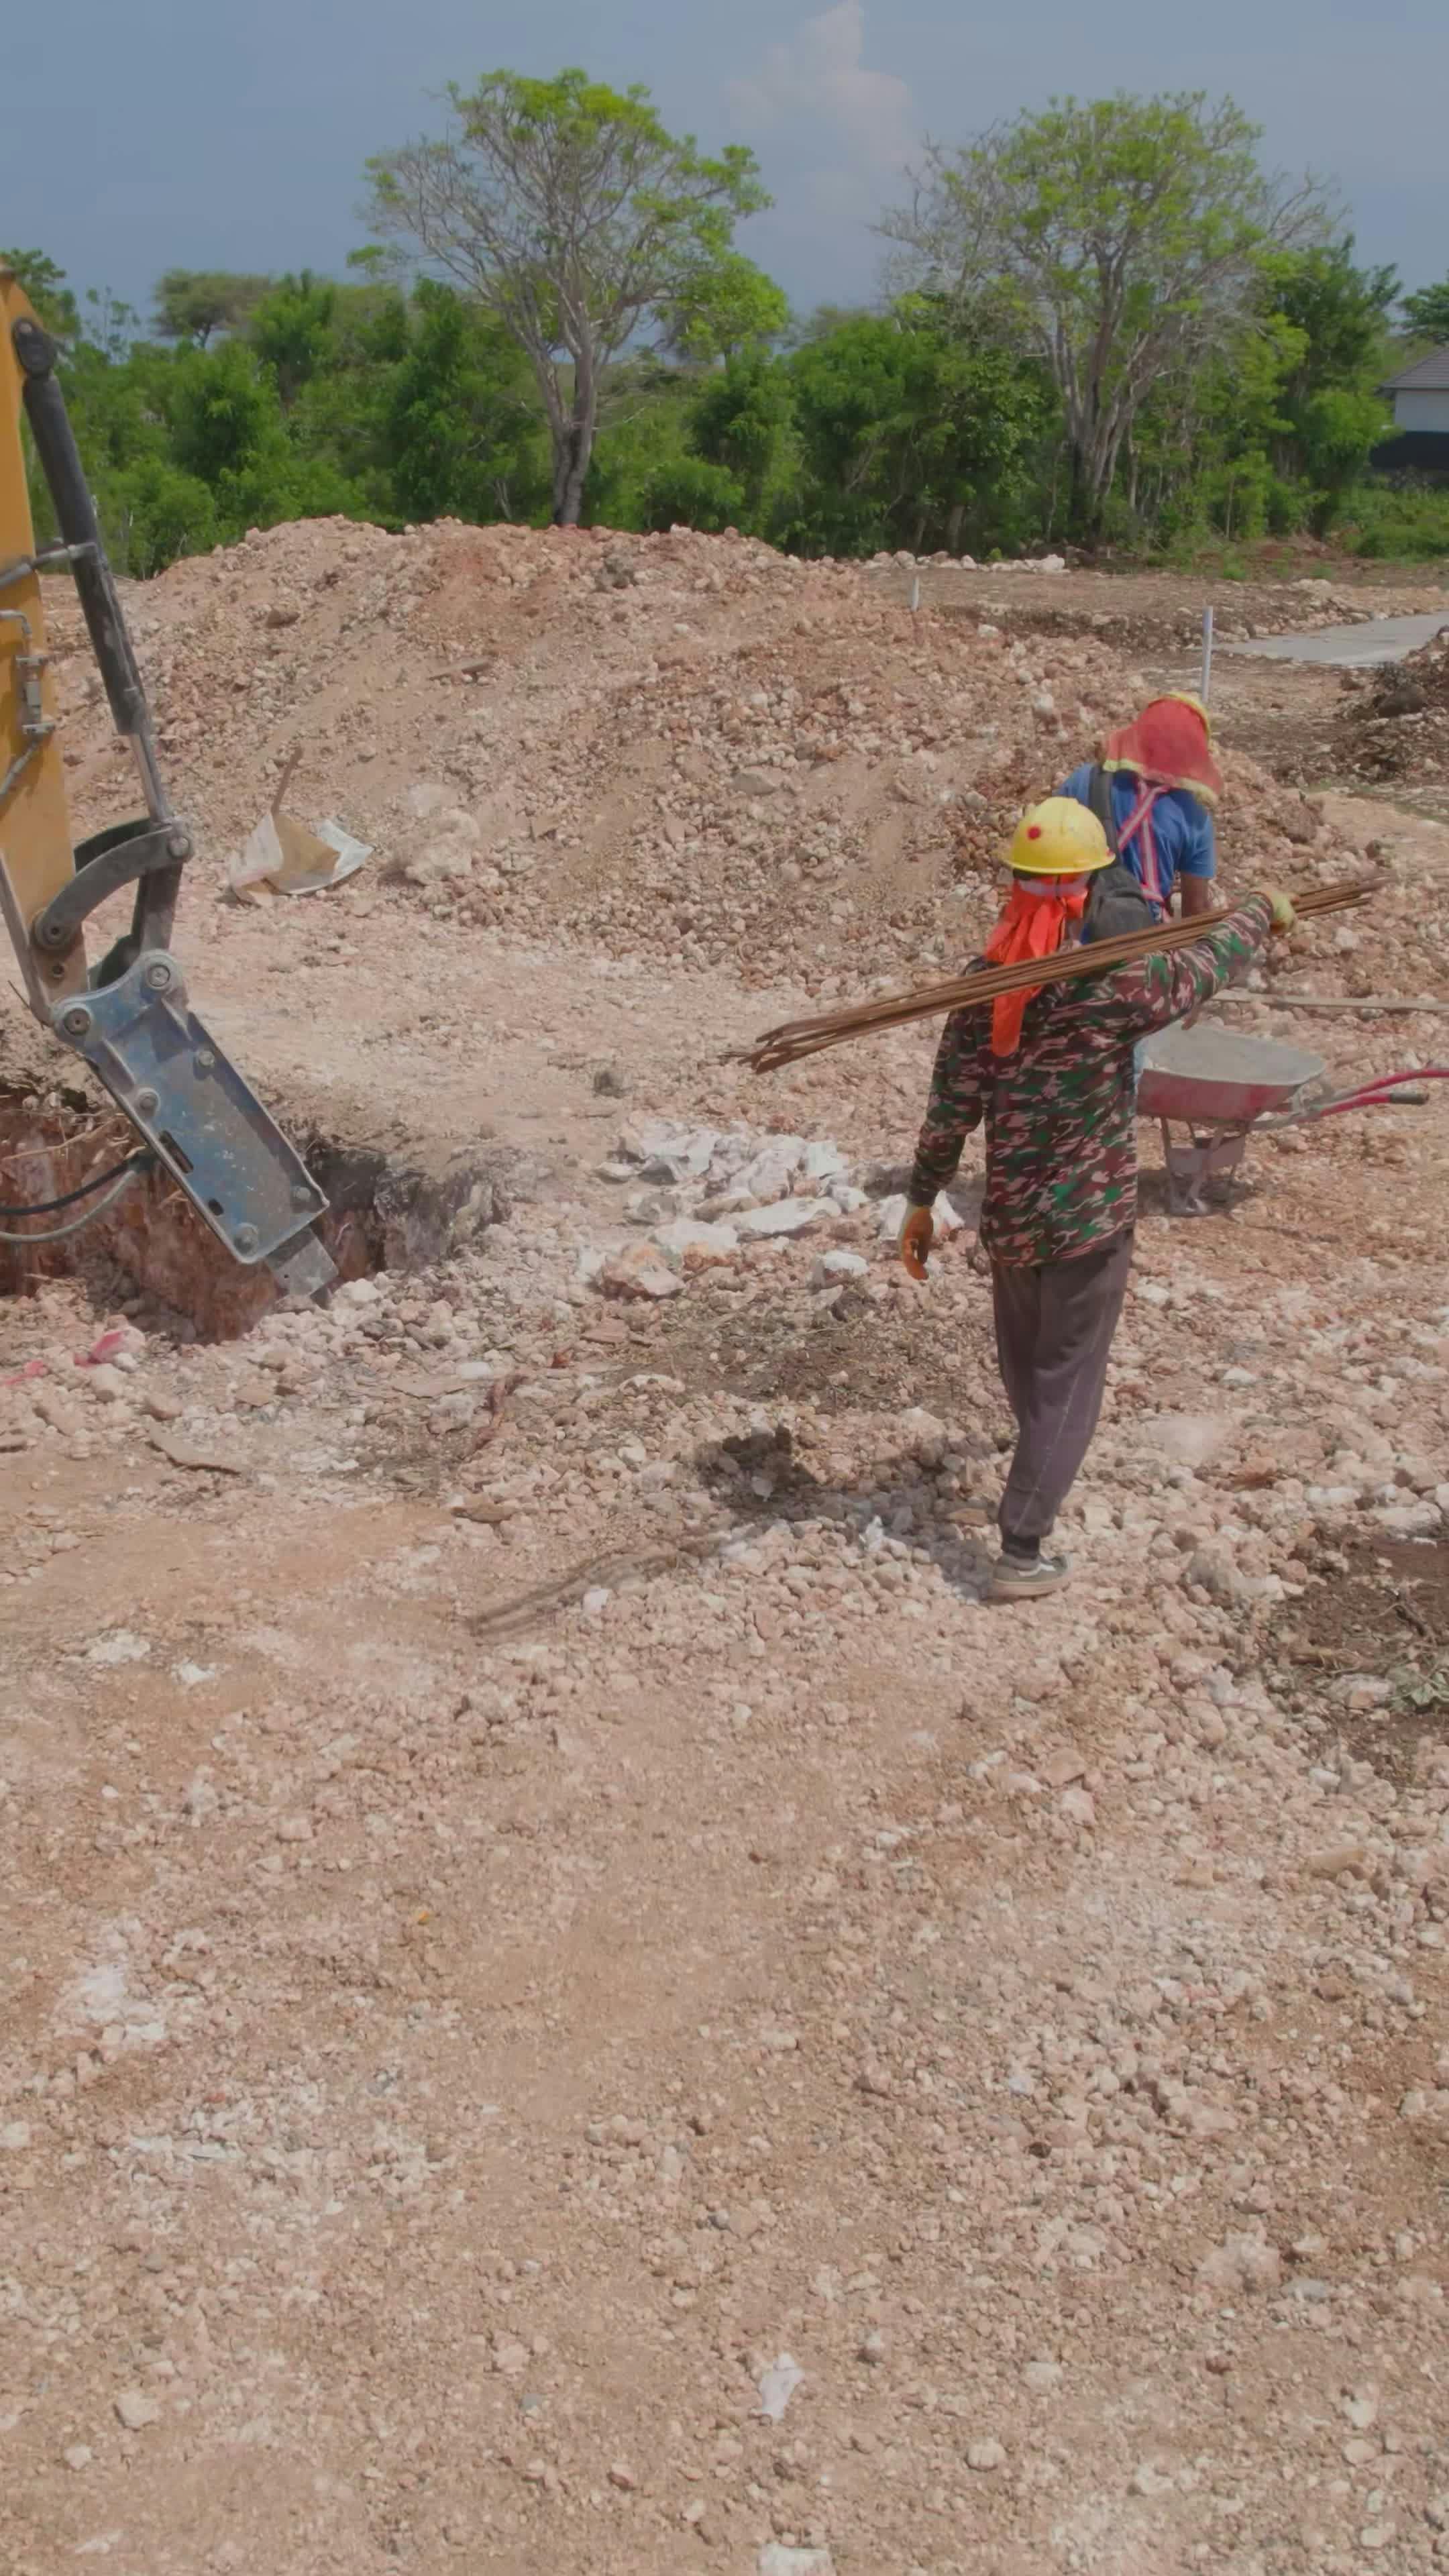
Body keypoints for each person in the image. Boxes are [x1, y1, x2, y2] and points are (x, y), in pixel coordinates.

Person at [898, 796, 1293, 1604]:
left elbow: (952, 1104)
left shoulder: (988, 985)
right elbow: (1205, 965)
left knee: (1031, 1371)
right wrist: (1258, 914)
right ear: (1088, 887)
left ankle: (1032, 1469)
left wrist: (920, 1198)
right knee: (1067, 1380)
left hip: (1008, 1218)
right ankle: (1021, 1546)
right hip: (1088, 1221)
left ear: (1018, 884)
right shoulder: (1116, 984)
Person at [1061, 692, 1221, 924]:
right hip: (1142, 939)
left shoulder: (1084, 780)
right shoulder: (1194, 817)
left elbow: (1044, 844)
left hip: (1074, 930)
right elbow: (1195, 911)